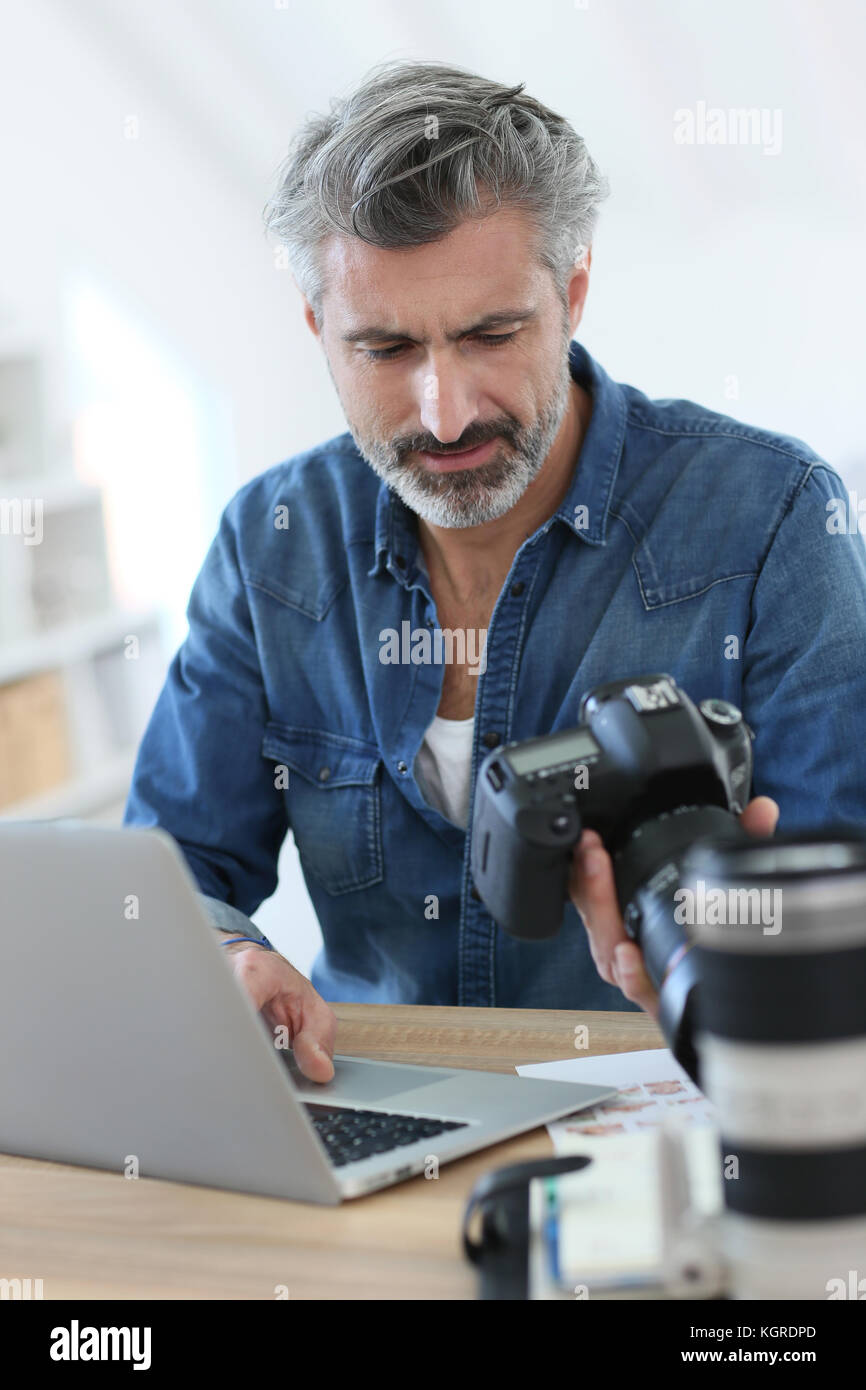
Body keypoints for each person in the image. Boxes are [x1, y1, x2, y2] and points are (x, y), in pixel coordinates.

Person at [124, 61, 866, 1082]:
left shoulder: (771, 516)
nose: (444, 412)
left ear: (571, 293)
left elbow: (843, 894)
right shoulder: (271, 541)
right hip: (372, 1106)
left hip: (678, 1109)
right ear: (317, 331)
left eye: (490, 334)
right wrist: (228, 955)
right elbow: (167, 867)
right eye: (384, 349)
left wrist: (752, 957)